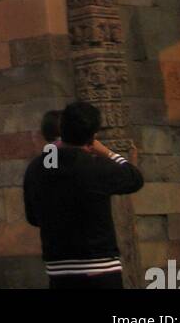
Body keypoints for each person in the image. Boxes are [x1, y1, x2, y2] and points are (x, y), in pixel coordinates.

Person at [23, 100, 144, 290]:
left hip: (59, 271)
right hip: (100, 268)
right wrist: (108, 153)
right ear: (93, 136)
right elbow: (134, 178)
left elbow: (33, 217)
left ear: (62, 129)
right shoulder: (96, 167)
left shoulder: (37, 168)